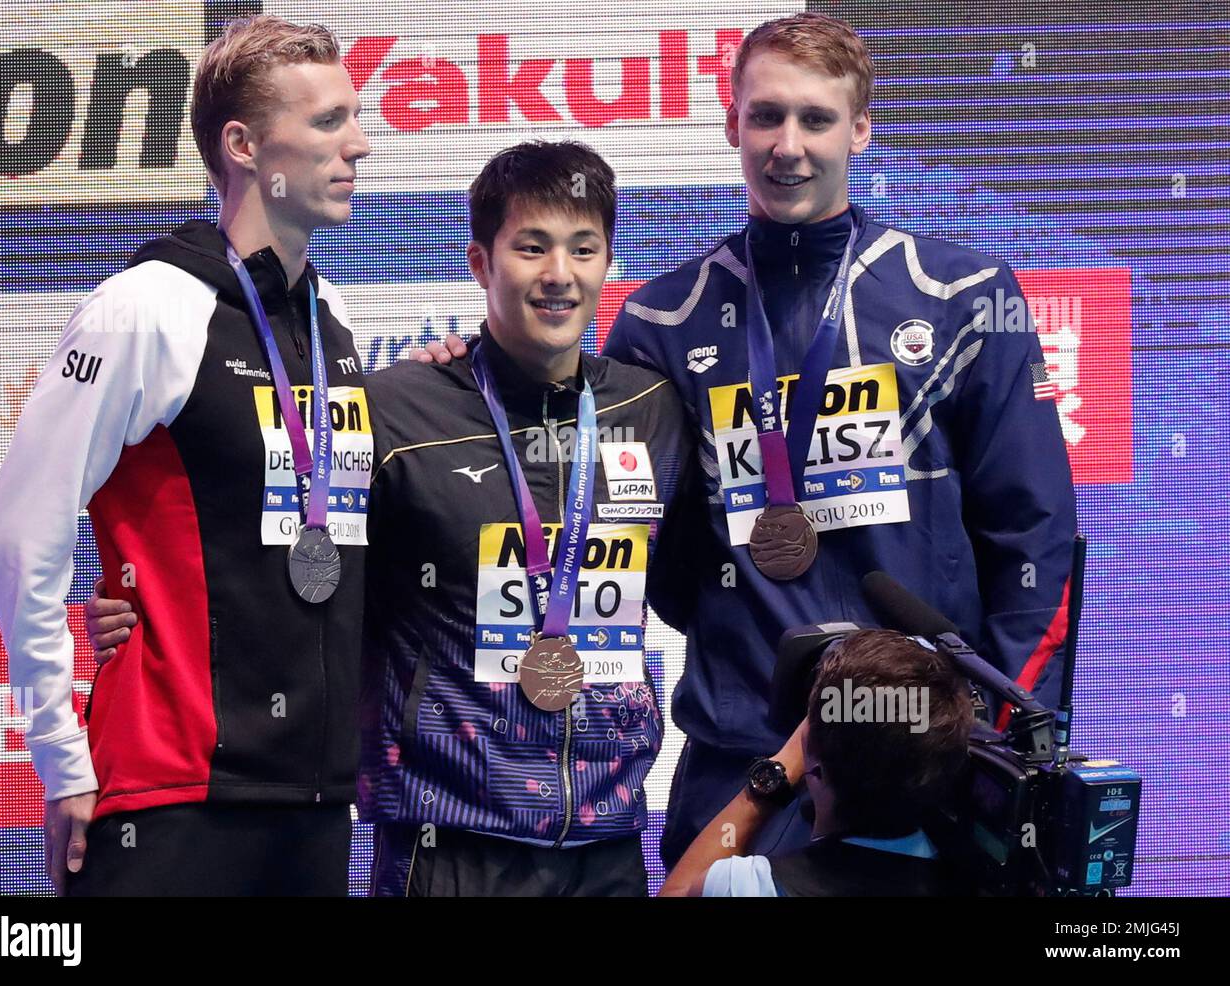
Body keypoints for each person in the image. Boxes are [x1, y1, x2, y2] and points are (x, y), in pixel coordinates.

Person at [417, 12, 1076, 868]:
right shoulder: (661, 322)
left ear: (861, 129)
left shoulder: (964, 297)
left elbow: (1035, 540)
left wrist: (1000, 734)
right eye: (766, 116)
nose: (787, 146)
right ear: (731, 124)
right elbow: (638, 543)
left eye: (816, 119)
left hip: (922, 762)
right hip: (739, 763)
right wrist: (461, 375)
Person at [91, 140, 698, 896]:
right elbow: (277, 571)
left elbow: (700, 582)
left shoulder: (652, 409)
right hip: (447, 846)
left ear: (608, 262)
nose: (559, 274)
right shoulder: (394, 412)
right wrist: (141, 607)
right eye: (531, 247)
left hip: (608, 847)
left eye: (583, 249)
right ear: (480, 263)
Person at [0, 14, 372, 895]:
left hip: (312, 801)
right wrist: (61, 759)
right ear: (243, 146)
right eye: (327, 121)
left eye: (353, 117)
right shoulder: (144, 309)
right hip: (172, 799)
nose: (359, 144)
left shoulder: (334, 319)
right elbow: (19, 534)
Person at [659, 629, 976, 896]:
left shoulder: (752, 885)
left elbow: (678, 891)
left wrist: (779, 770)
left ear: (815, 768)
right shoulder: (983, 879)